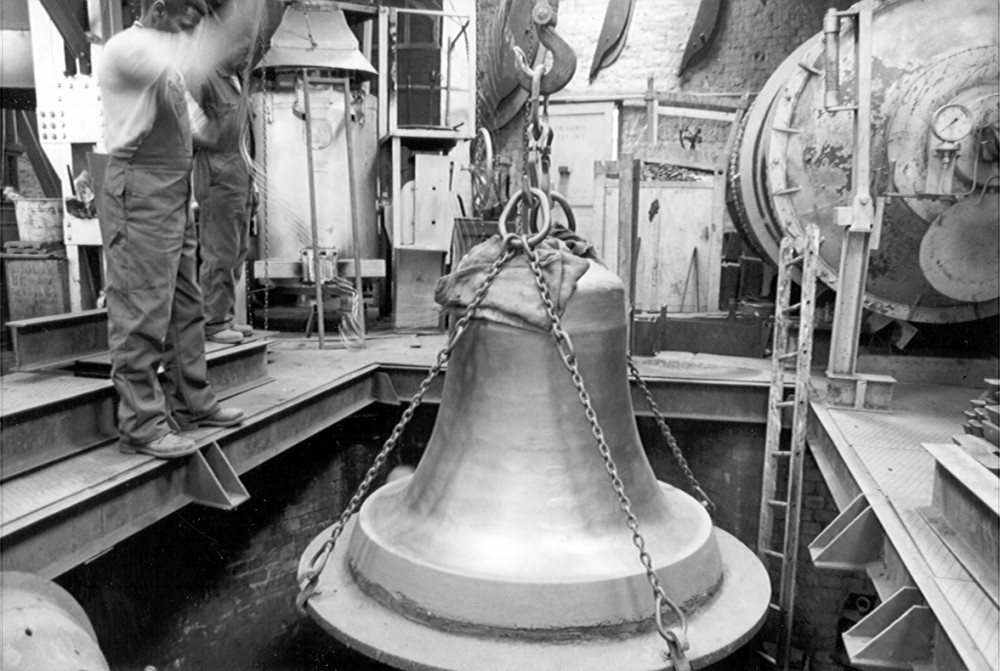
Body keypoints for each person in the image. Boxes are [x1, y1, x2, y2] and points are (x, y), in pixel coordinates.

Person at [97, 0, 248, 458]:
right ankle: (141, 425)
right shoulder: (127, 48)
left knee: (186, 302)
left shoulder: (168, 61)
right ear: (160, 8)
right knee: (141, 306)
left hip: (173, 191)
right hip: (139, 190)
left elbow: (198, 128)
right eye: (190, 18)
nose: (193, 29)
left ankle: (189, 401)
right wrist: (245, 15)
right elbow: (197, 60)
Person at [192, 23, 255, 344]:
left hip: (241, 179)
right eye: (241, 50)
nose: (247, 58)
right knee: (220, 253)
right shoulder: (205, 80)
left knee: (238, 251)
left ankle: (225, 315)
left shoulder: (237, 79)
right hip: (219, 179)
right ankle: (212, 322)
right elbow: (187, 127)